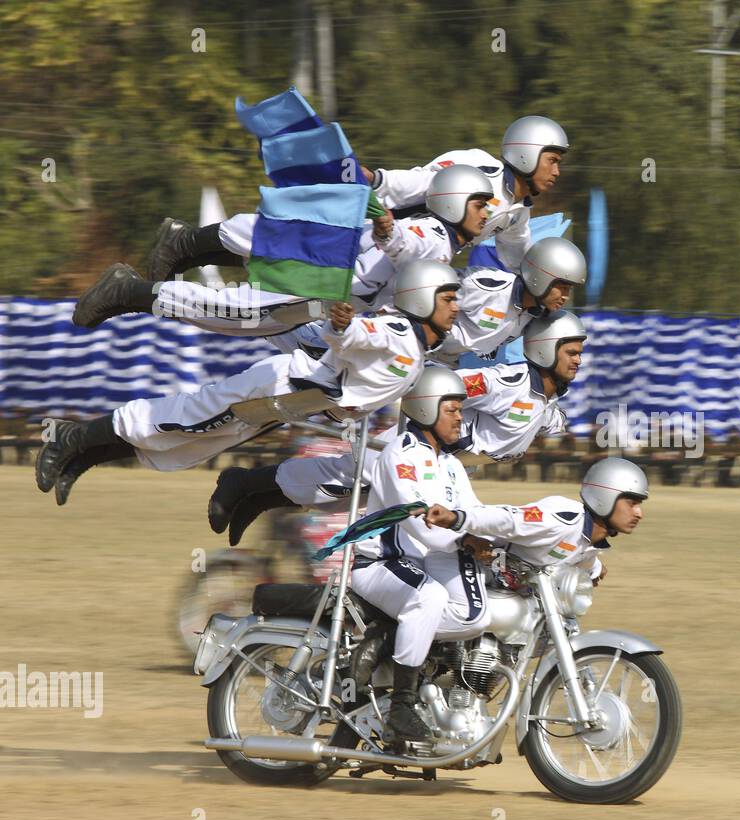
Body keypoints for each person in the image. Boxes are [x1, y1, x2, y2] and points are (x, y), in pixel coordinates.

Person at [36, 260, 461, 503]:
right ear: (422, 298)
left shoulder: (419, 349)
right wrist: (343, 327)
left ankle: (84, 457)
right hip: (282, 387)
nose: (455, 307)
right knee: (182, 419)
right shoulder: (399, 334)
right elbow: (355, 337)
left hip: (296, 404)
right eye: (448, 298)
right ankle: (71, 440)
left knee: (192, 444)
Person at [210, 309, 589, 544]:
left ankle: (257, 498)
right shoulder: (509, 383)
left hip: (447, 463)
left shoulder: (546, 402)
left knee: (349, 497)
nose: (578, 361)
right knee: (346, 478)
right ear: (545, 349)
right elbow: (450, 384)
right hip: (422, 441)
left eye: (579, 353)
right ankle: (242, 484)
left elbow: (538, 421)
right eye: (571, 353)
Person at [72, 165, 494, 335]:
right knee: (231, 311)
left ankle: (167, 259)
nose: (486, 212)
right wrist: (388, 229)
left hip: (330, 292)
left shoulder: (445, 243)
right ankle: (126, 290)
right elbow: (406, 244)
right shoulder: (435, 235)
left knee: (241, 316)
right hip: (324, 284)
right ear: (454, 201)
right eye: (479, 204)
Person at [343, 365, 492, 742]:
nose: (461, 418)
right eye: (452, 409)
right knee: (430, 597)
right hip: (380, 564)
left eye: (461, 409)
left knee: (479, 605)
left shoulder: (452, 465)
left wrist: (506, 538)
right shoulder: (401, 456)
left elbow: (474, 515)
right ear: (425, 409)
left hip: (420, 563)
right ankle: (401, 708)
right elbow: (421, 525)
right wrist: (466, 540)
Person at [365, 115, 569, 270]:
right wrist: (378, 180)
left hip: (418, 264)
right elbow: (422, 181)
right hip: (379, 240)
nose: (556, 172)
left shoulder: (518, 214)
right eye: (552, 161)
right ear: (527, 153)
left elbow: (517, 260)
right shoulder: (481, 167)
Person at [424, 456, 649, 589]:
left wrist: (595, 570)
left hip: (503, 586)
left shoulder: (591, 543)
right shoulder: (561, 518)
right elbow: (507, 519)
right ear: (605, 497)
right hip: (464, 565)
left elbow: (579, 557)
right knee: (472, 620)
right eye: (631, 503)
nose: (639, 513)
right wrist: (457, 518)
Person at [426, 237, 586, 367]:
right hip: (419, 351)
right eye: (563, 288)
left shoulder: (535, 318)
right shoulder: (486, 286)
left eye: (569, 290)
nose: (566, 297)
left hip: (449, 366)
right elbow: (427, 288)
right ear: (542, 277)